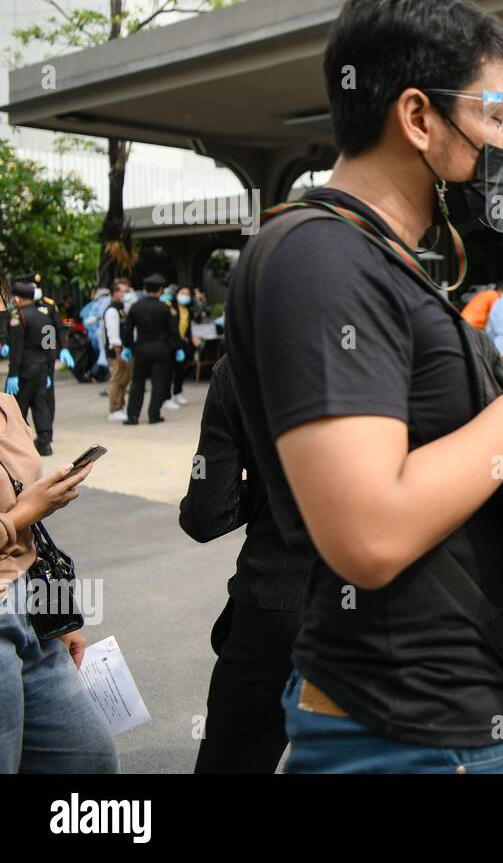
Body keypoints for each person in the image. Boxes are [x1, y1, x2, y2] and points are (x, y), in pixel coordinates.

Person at [224, 0, 503, 774]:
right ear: (418, 116)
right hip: (408, 735)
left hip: (445, 718)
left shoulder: (377, 259)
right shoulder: (322, 260)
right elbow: (371, 532)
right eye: (492, 115)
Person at [0, 273, 119, 773]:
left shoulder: (6, 406)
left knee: (88, 760)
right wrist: (24, 512)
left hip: (27, 609)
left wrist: (58, 616)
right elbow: (22, 515)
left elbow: (32, 530)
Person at [180, 356, 309, 773]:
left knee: (235, 756)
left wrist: (269, 493)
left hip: (279, 604)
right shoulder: (414, 340)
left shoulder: (245, 361)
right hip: (399, 607)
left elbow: (206, 515)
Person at [5, 274, 70, 456]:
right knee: (41, 404)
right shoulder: (45, 317)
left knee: (18, 408)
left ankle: (18, 443)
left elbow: (16, 350)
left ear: (17, 298)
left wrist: (13, 374)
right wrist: (49, 370)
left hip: (25, 369)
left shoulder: (19, 317)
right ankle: (44, 442)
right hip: (42, 368)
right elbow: (49, 346)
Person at [121, 273, 183, 426]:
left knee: (137, 383)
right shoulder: (165, 308)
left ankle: (132, 416)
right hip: (162, 350)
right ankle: (154, 415)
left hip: (141, 349)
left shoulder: (136, 307)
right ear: (161, 289)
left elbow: (128, 330)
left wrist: (127, 346)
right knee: (159, 383)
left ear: (145, 288)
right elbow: (174, 331)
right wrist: (177, 348)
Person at [102, 280, 132, 423]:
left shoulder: (121, 309)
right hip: (116, 352)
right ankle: (114, 408)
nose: (125, 294)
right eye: (123, 292)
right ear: (115, 293)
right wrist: (118, 352)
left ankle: (121, 405)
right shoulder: (112, 311)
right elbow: (113, 333)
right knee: (116, 379)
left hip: (124, 351)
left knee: (123, 380)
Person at [170, 286, 197, 407]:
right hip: (171, 342)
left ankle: (178, 392)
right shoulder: (170, 307)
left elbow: (188, 327)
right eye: (182, 293)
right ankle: (167, 396)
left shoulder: (188, 310)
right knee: (169, 370)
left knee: (181, 369)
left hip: (182, 342)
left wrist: (191, 339)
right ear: (176, 294)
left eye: (187, 294)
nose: (185, 296)